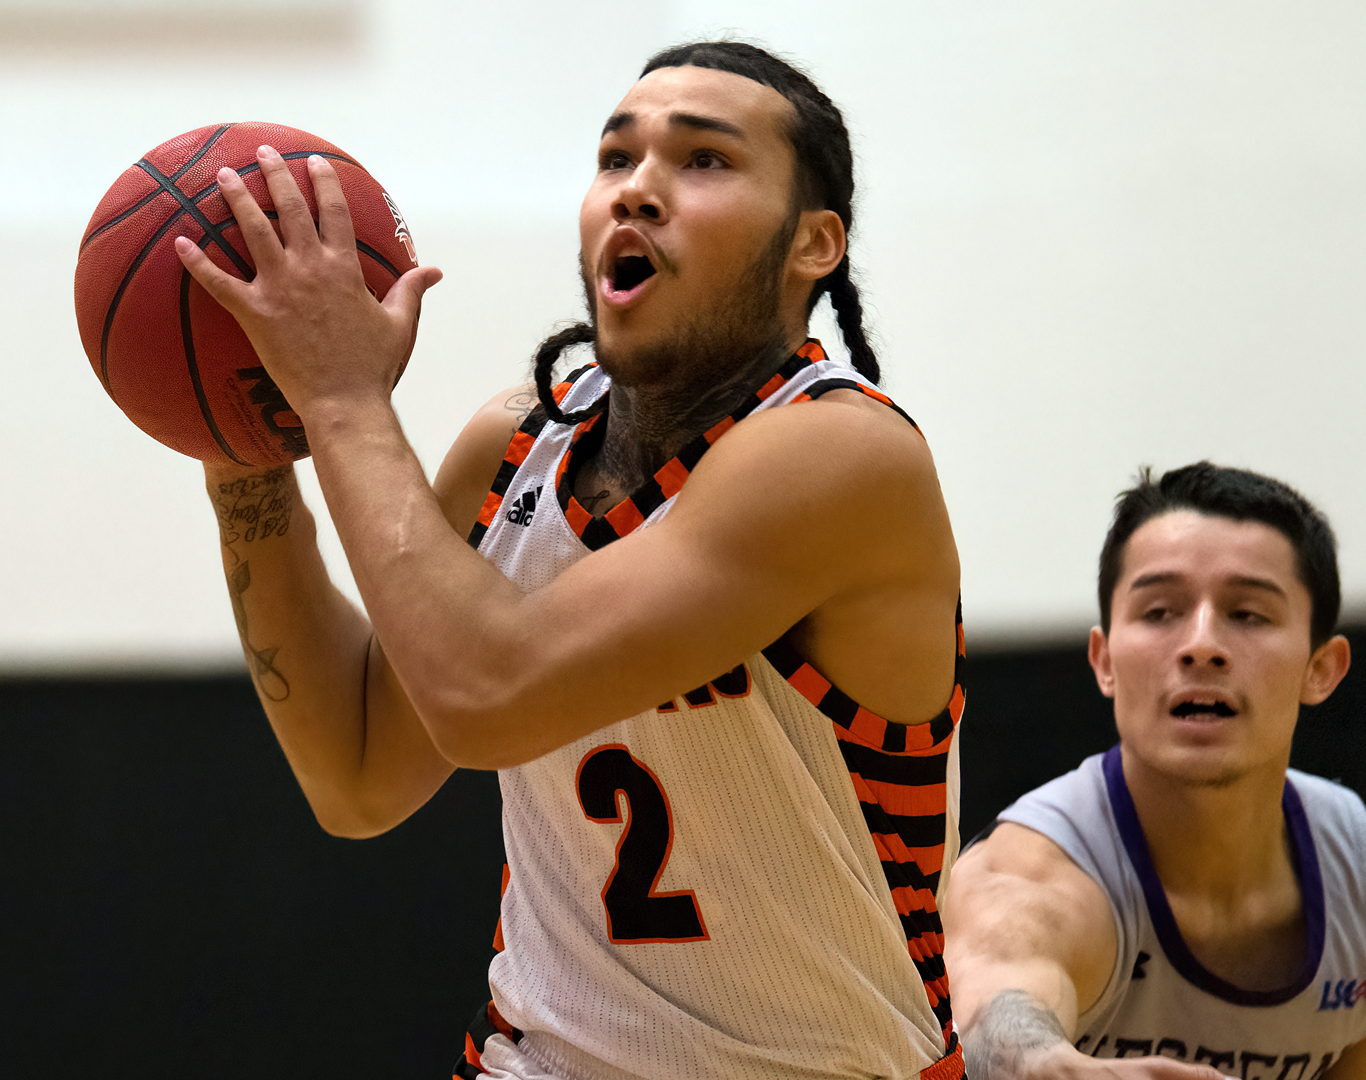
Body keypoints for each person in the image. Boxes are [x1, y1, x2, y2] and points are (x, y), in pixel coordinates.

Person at [175, 41, 966, 1080]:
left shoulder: (843, 455)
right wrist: (244, 463)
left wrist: (339, 399)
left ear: (812, 243)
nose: (637, 188)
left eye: (705, 160)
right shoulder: (515, 446)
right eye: (615, 158)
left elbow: (488, 694)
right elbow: (358, 774)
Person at [943, 464, 1366, 1080]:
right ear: (1104, 662)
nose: (1202, 645)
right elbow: (992, 1022)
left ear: (1321, 668)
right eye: (1160, 611)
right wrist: (1048, 1068)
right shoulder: (1024, 877)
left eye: (1249, 614)